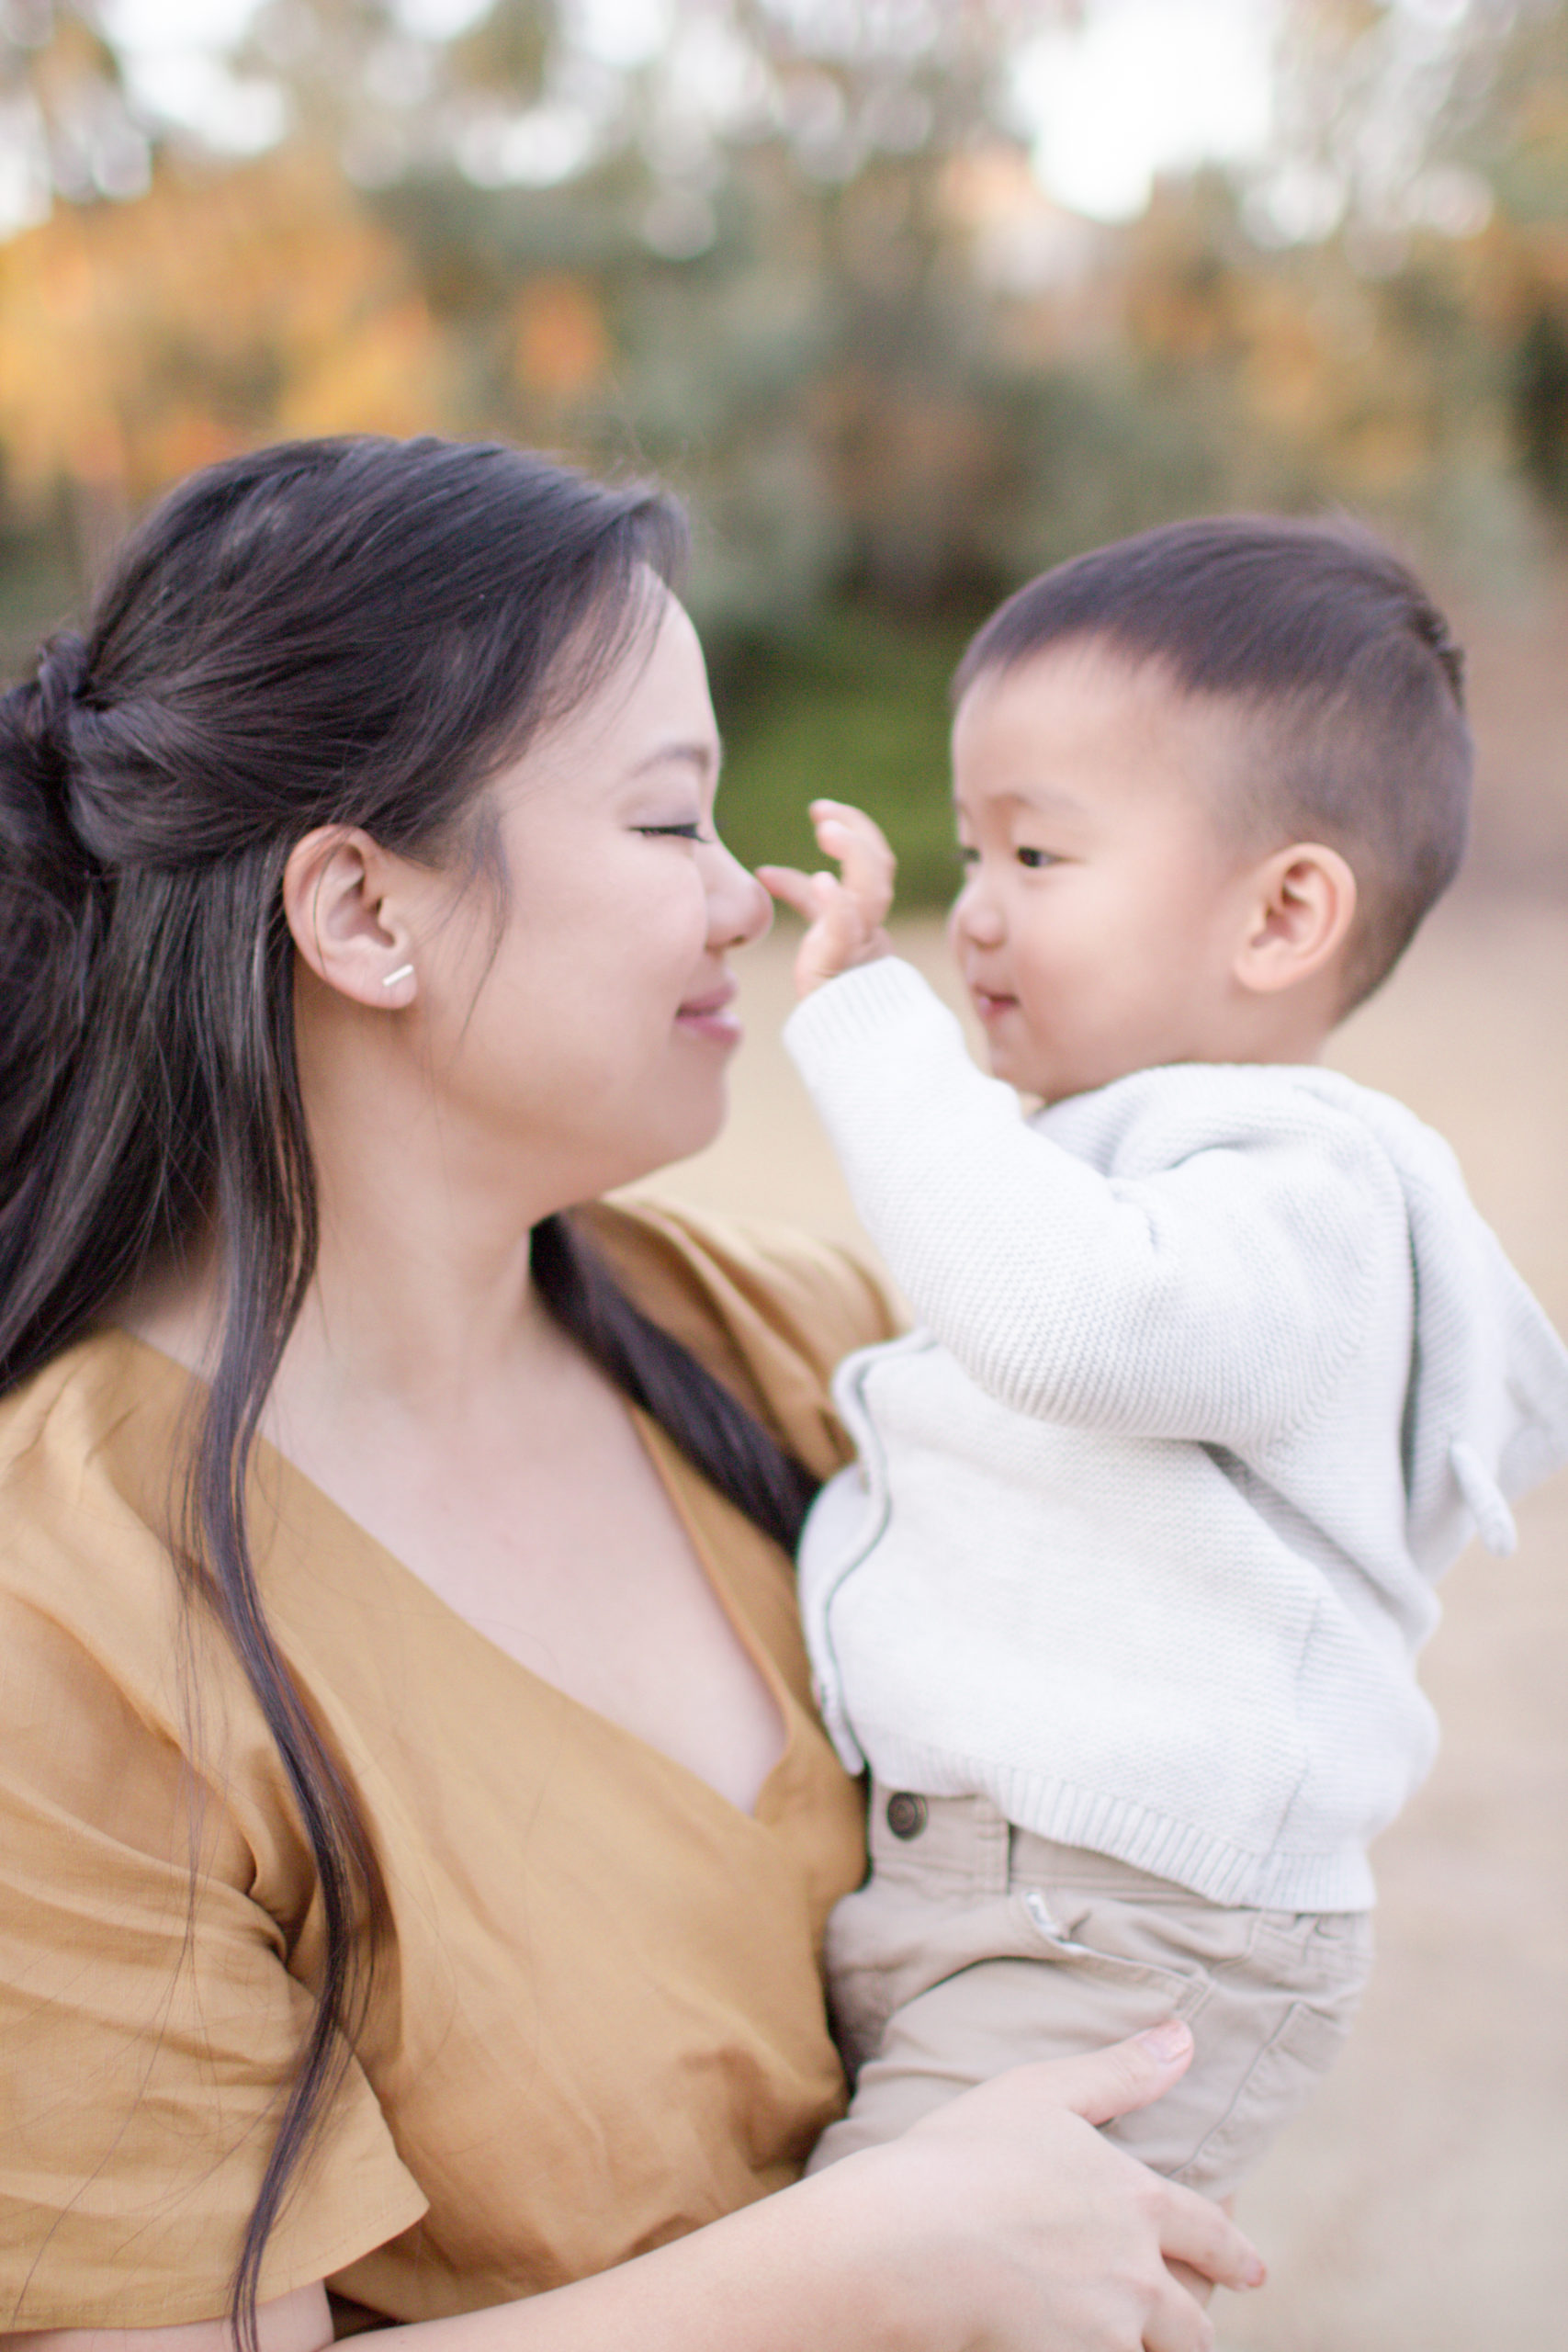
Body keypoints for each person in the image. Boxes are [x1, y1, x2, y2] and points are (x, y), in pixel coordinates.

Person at [0, 438, 1265, 2352]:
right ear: (360, 913)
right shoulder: (65, 1608)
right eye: (669, 821)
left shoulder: (806, 1342)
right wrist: (851, 2275)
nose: (742, 895)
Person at [760, 517, 1568, 2193]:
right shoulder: (1119, 1158)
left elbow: (1069, 1321)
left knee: (901, 2291)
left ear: (1281, 916)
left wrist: (867, 1030)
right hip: (1010, 1891)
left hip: (1128, 1927)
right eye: (970, 858)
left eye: (1035, 861)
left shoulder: (1306, 1191)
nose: (971, 916)